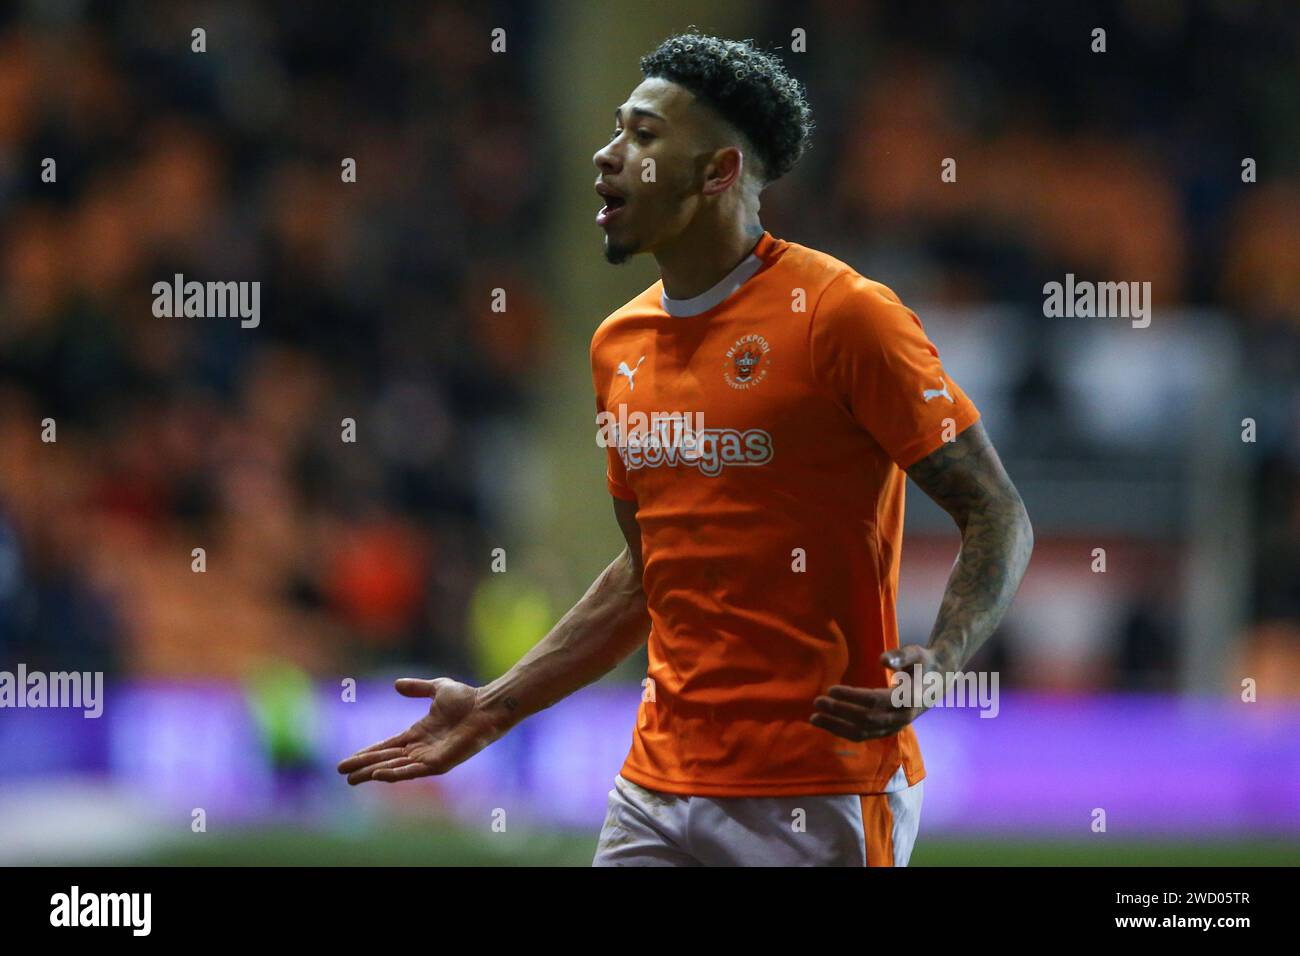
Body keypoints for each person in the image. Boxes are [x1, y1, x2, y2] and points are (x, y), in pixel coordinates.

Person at [338, 32, 1033, 867]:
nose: (606, 156)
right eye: (613, 132)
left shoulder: (845, 317)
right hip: (657, 786)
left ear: (720, 171)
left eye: (641, 135)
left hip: (816, 788)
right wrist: (496, 706)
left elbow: (996, 512)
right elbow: (647, 572)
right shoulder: (616, 344)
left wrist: (940, 662)